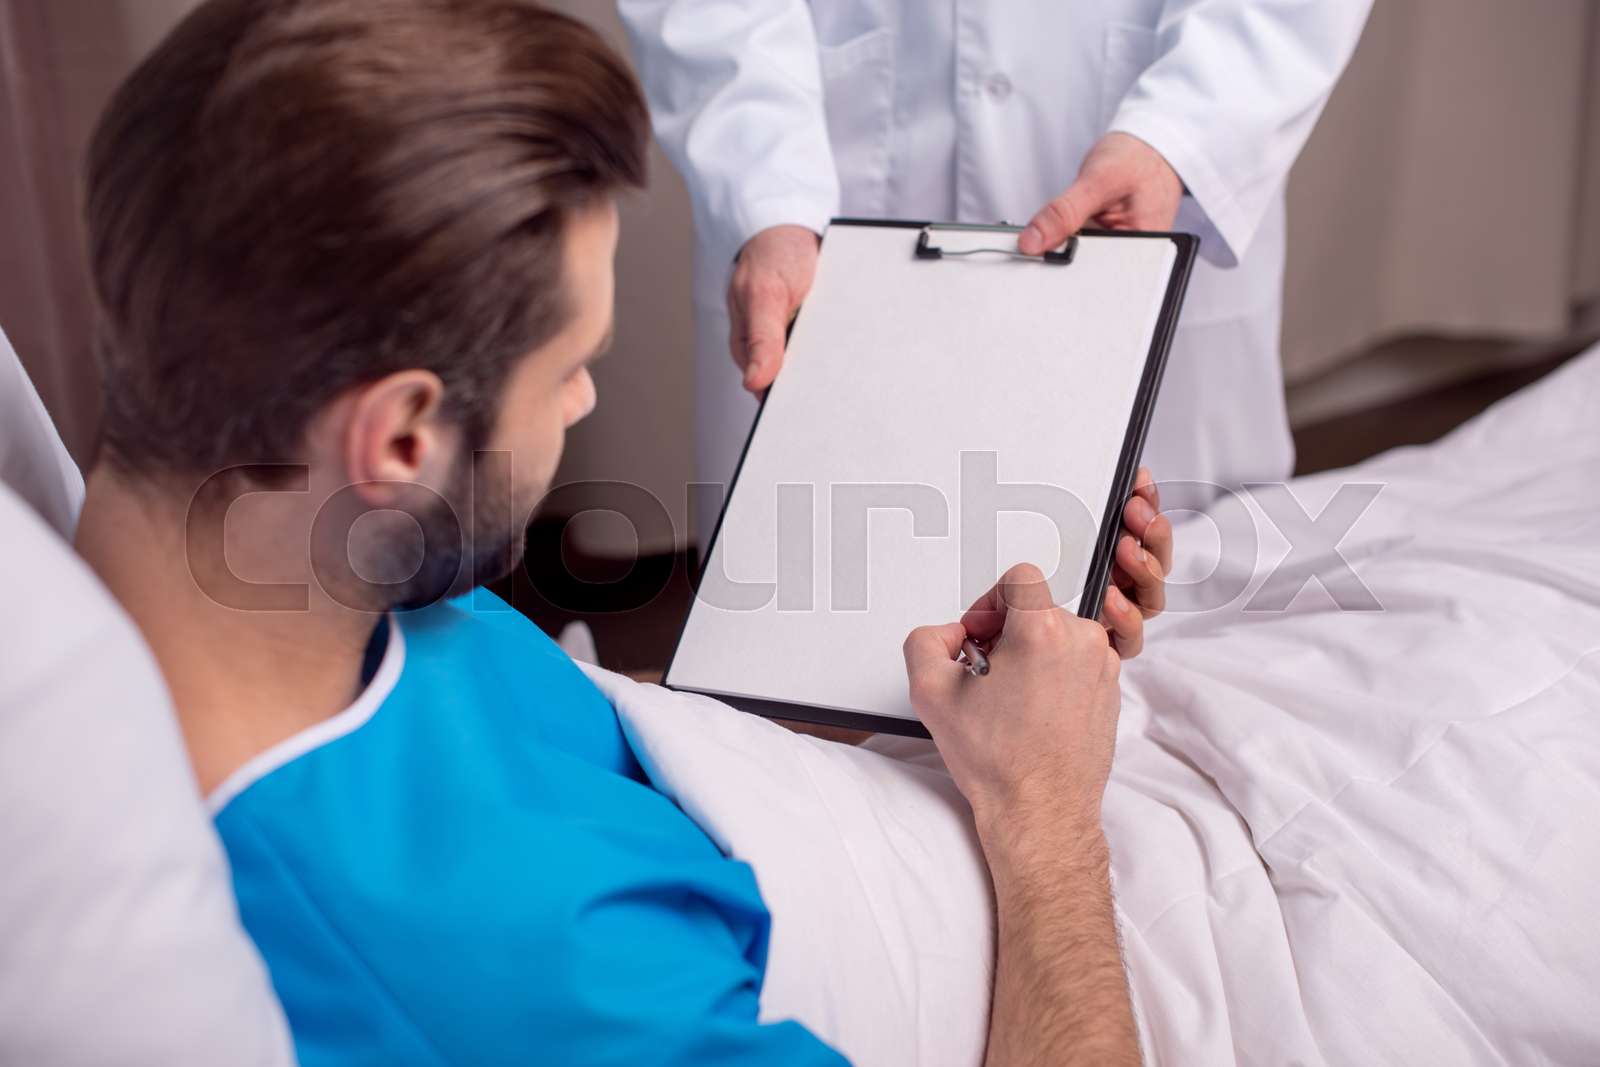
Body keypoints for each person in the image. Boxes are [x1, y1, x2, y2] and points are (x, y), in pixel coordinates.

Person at [72, 0, 1171, 1063]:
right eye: (568, 367)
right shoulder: (524, 975)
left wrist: (871, 675)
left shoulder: (287, 564)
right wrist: (1044, 810)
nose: (583, 402)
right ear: (400, 438)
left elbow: (548, 748)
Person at [617, 0, 1375, 550]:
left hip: (1142, 178)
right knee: (802, 658)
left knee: (1163, 666)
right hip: (819, 207)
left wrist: (1180, 136)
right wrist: (770, 196)